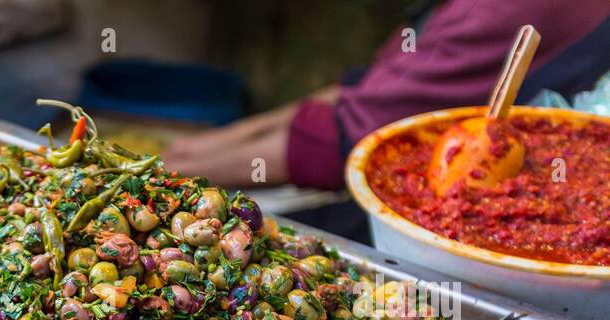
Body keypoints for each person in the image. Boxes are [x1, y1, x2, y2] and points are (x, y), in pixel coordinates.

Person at [164, 0, 610, 189]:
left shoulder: (495, 12)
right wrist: (182, 153)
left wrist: (160, 169)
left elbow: (336, 140)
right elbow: (357, 91)